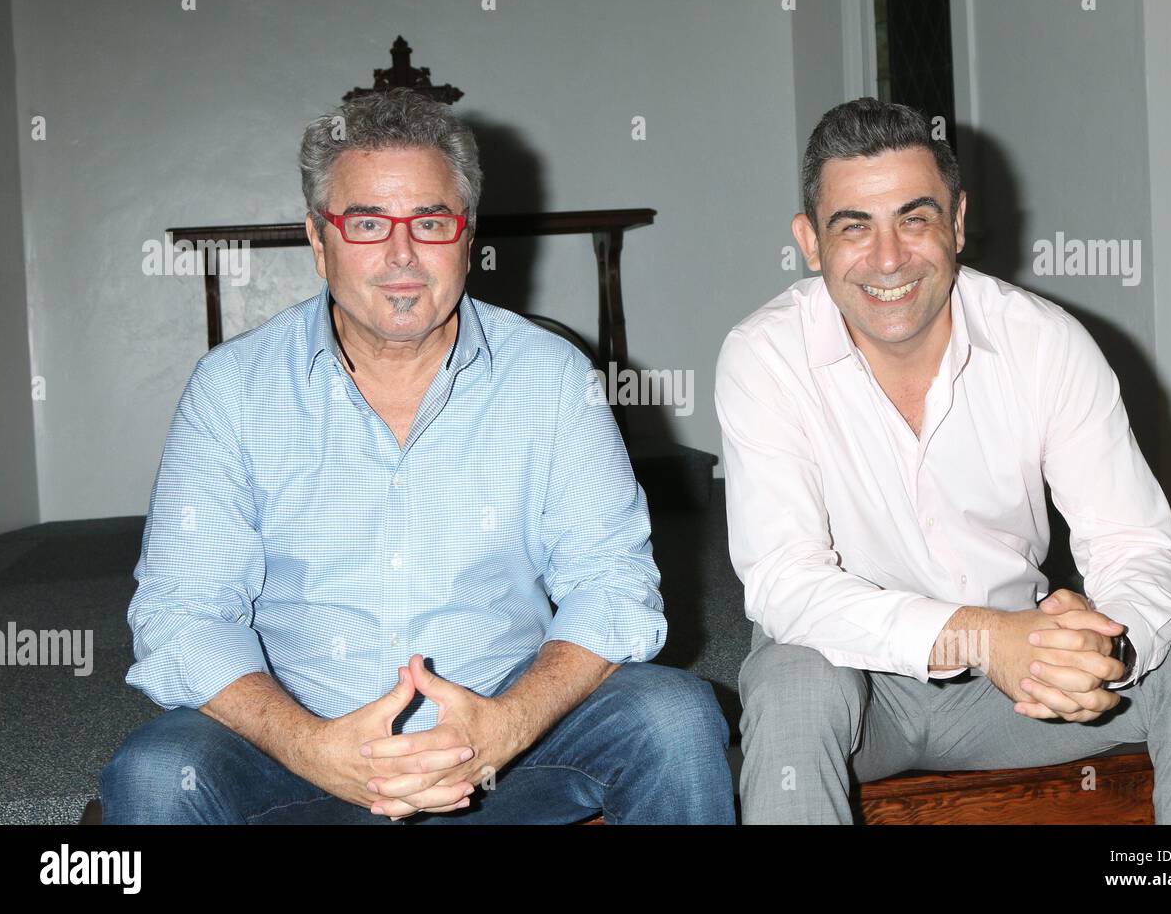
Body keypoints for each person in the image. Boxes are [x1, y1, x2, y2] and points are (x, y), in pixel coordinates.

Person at [101, 89, 733, 824]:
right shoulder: (233, 389)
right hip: (298, 754)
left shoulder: (552, 376)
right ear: (318, 238)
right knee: (155, 774)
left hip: (506, 749)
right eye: (367, 223)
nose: (401, 255)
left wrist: (507, 726)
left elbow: (615, 585)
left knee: (675, 717)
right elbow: (181, 613)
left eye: (430, 222)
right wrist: (311, 746)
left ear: (466, 236)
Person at [716, 97, 1171, 824]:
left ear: (958, 223)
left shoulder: (1044, 342)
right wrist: (981, 636)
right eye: (855, 227)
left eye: (915, 218)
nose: (888, 259)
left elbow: (1132, 542)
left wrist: (1104, 651)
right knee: (792, 680)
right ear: (810, 243)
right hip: (855, 683)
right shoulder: (763, 356)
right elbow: (786, 585)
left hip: (1023, 682)